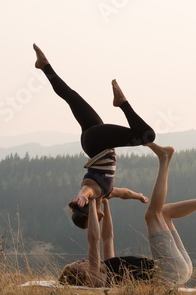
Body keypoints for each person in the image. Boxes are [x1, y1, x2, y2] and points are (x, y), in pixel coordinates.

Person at [58, 143, 196, 287]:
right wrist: (94, 202)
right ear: (81, 276)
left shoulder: (107, 266)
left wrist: (105, 202)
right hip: (169, 272)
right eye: (78, 264)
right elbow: (93, 240)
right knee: (152, 214)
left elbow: (107, 238)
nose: (81, 260)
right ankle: (164, 159)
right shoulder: (96, 279)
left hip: (178, 270)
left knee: (164, 212)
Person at [34, 44, 154, 228]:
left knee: (147, 136)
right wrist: (139, 197)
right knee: (72, 97)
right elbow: (123, 193)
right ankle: (44, 66)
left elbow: (87, 189)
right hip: (94, 142)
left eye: (95, 219)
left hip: (97, 144)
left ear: (88, 213)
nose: (100, 217)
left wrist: (82, 195)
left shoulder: (94, 191)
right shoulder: (106, 193)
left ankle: (122, 103)